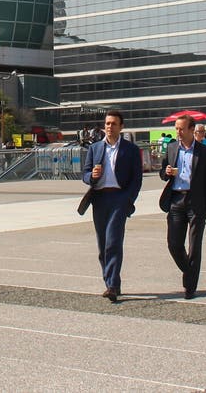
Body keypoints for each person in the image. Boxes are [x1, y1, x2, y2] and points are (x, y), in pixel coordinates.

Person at [81, 110, 142, 302]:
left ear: (121, 127)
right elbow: (85, 174)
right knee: (102, 244)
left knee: (113, 242)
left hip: (119, 198)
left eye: (114, 124)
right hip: (99, 198)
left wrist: (128, 199)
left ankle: (113, 285)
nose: (109, 127)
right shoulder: (95, 148)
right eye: (107, 123)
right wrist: (93, 176)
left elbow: (137, 178)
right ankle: (110, 281)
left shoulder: (130, 150)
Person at [159, 114, 206, 299]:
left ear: (192, 130)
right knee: (174, 244)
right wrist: (166, 172)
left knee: (194, 245)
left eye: (181, 129)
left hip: (196, 202)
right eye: (176, 128)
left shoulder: (204, 151)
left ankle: (190, 287)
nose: (178, 132)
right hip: (176, 200)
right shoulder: (172, 148)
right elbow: (162, 172)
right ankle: (190, 272)